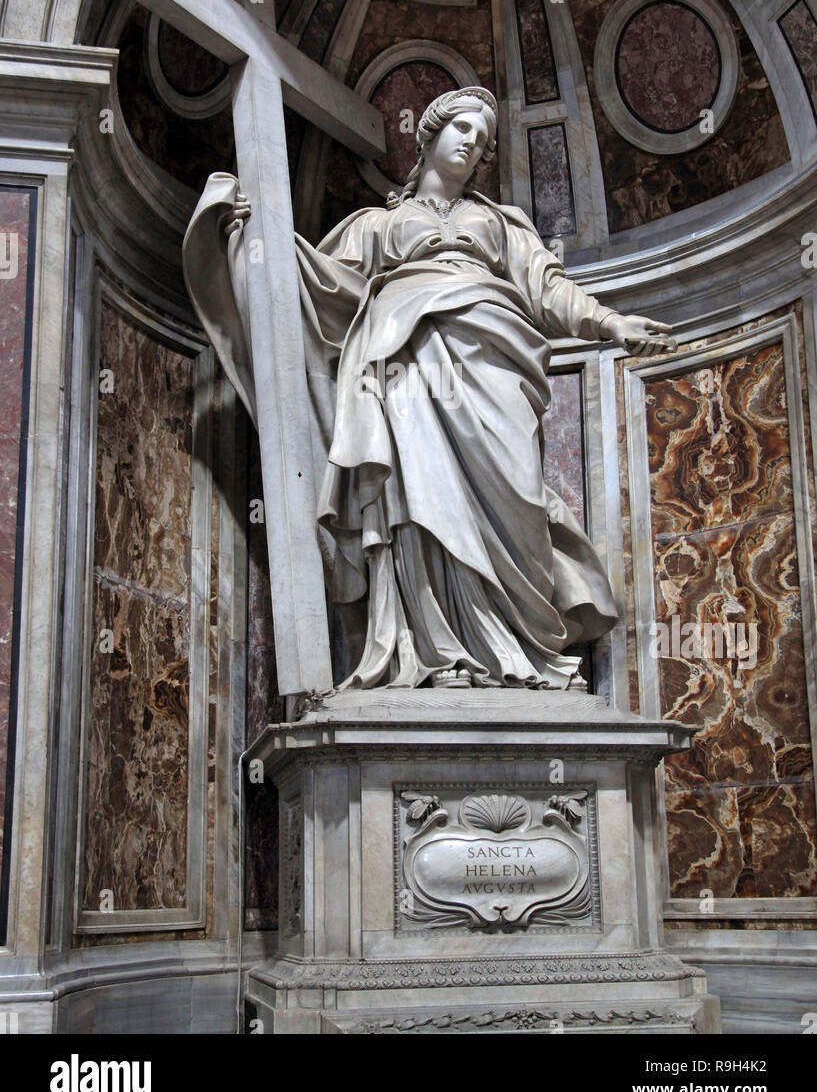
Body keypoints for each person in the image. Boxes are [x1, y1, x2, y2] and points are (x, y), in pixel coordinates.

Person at [184, 87, 675, 690]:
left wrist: (612, 324)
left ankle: (518, 649)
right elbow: (316, 286)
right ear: (430, 135)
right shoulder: (379, 225)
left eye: (482, 138)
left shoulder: (500, 224)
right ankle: (441, 652)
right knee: (417, 498)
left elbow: (551, 292)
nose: (471, 142)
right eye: (461, 128)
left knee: (514, 492)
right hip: (403, 358)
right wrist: (253, 242)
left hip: (492, 361)